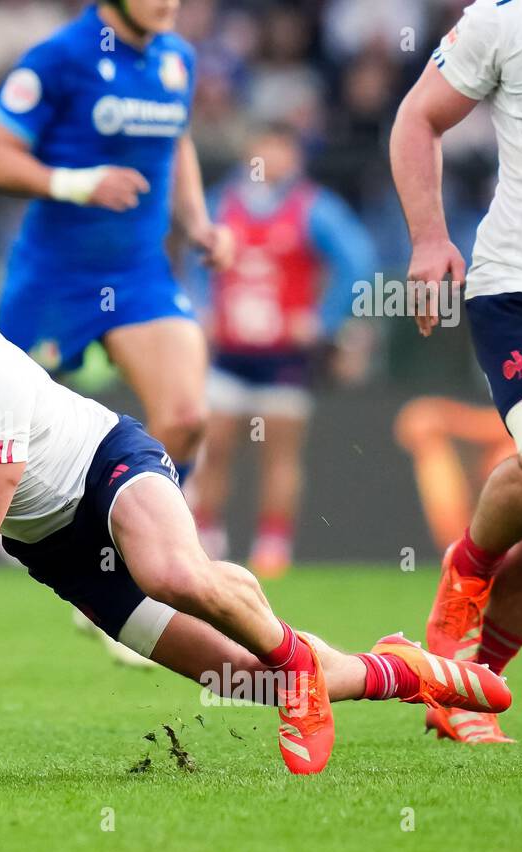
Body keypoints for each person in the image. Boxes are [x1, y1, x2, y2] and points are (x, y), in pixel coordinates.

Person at [0, 244, 511, 775]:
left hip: (107, 467)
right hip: (56, 549)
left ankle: (296, 667)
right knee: (241, 677)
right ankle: (405, 671)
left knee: (171, 571)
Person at [0, 0, 235, 682]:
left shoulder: (177, 57)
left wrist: (200, 222)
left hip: (141, 273)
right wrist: (77, 181)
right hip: (54, 282)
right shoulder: (59, 57)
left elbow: (175, 142)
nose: (169, 2)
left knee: (186, 419)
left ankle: (122, 582)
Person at [389, 0, 522, 743]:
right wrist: (428, 239)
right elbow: (419, 117)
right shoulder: (514, 16)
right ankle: (467, 572)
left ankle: (468, 688)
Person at [192, 123, 375, 577]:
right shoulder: (221, 203)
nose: (271, 158)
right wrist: (200, 307)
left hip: (282, 358)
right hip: (228, 351)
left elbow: (359, 262)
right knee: (213, 445)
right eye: (264, 148)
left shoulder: (313, 207)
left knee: (280, 452)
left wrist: (323, 320)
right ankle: (205, 538)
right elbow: (192, 257)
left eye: (281, 150)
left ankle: (273, 545)